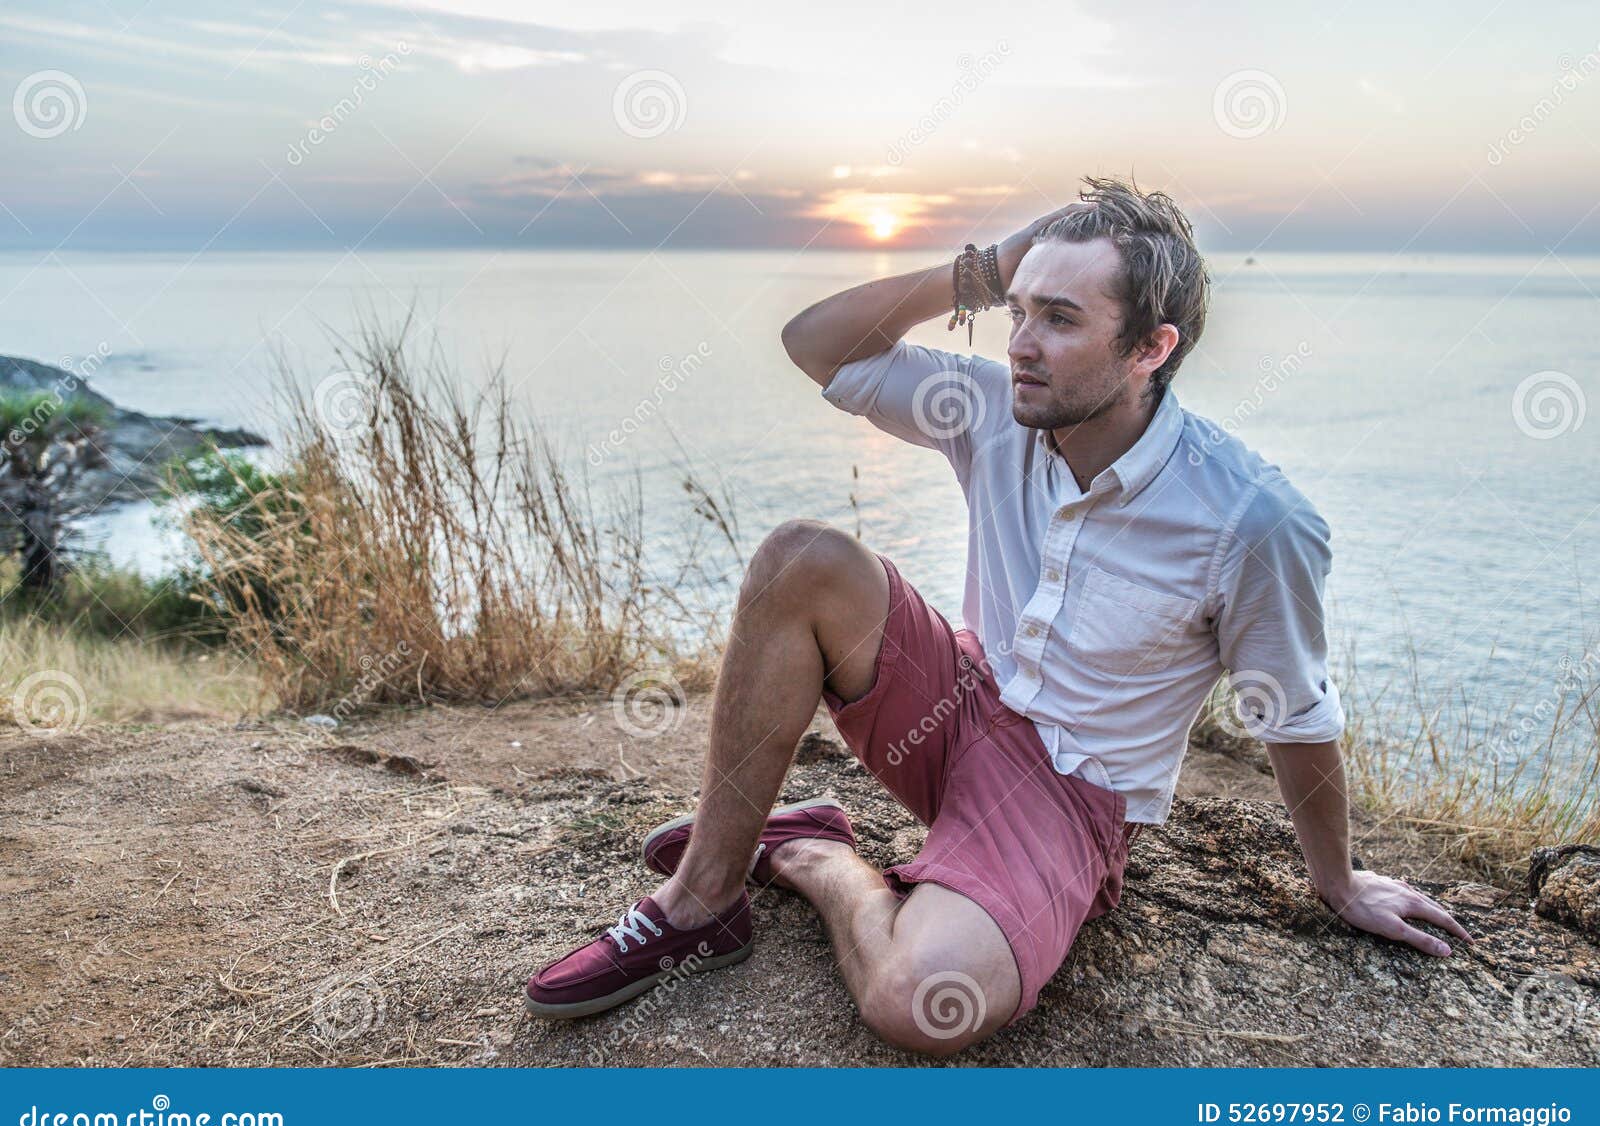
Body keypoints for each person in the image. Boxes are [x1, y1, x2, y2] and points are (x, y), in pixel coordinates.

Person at [523, 176, 1473, 1056]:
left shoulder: (1251, 521)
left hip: (1070, 799)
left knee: (919, 1004)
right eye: (1020, 310)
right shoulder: (990, 405)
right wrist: (978, 271)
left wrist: (1338, 882)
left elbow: (1294, 718)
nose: (1019, 342)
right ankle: (702, 898)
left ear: (1151, 348)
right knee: (802, 559)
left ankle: (810, 852)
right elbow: (814, 344)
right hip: (961, 706)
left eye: (1059, 319)